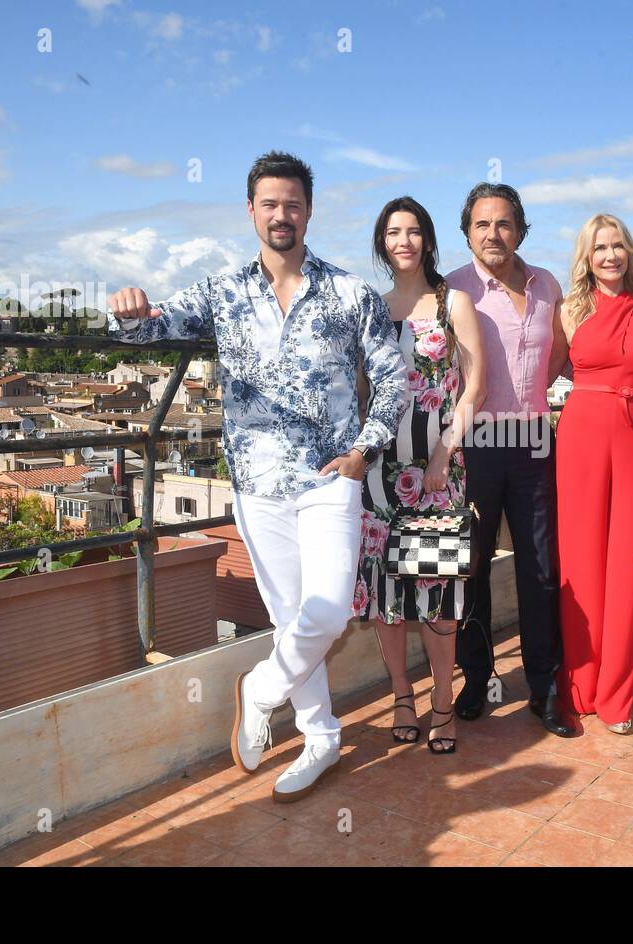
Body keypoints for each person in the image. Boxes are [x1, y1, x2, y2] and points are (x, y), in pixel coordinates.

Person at [107, 151, 408, 800]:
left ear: (309, 210)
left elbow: (393, 381)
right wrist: (128, 312)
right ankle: (320, 736)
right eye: (269, 204)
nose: (282, 215)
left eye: (293, 204)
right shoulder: (222, 293)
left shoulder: (350, 292)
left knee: (325, 613)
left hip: (331, 478)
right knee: (291, 619)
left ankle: (259, 689)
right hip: (254, 484)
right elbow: (147, 333)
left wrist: (363, 451)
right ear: (251, 211)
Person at [354, 196, 486, 755]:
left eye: (413, 232)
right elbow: (362, 393)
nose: (403, 241)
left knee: (437, 593)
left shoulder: (453, 302)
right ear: (382, 243)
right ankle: (402, 696)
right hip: (381, 470)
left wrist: (443, 454)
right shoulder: (373, 308)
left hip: (437, 471)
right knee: (389, 591)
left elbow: (473, 387)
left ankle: (441, 704)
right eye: (393, 232)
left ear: (428, 240)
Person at [446, 183, 573, 737]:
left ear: (521, 229)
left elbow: (560, 356)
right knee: (469, 566)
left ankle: (544, 687)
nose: (492, 234)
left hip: (535, 442)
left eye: (503, 223)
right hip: (475, 446)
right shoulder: (453, 290)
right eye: (481, 224)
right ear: (466, 232)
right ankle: (476, 680)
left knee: (541, 568)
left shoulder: (547, 286)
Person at [557, 214, 633, 734]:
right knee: (581, 565)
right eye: (599, 247)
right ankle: (580, 686)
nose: (609, 256)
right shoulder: (570, 309)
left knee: (631, 567)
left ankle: (617, 696)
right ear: (587, 256)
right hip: (581, 436)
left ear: (630, 252)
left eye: (617, 246)